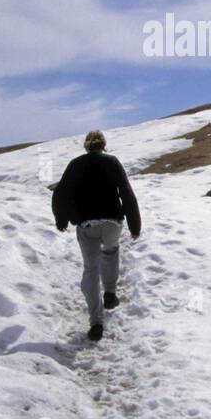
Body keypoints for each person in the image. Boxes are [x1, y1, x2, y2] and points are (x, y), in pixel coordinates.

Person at [51, 130, 141, 342]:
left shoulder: (75, 164)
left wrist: (61, 220)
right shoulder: (113, 162)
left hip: (87, 223)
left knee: (91, 270)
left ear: (86, 146)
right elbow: (126, 193)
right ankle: (110, 292)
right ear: (104, 145)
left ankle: (96, 321)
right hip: (112, 222)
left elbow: (61, 192)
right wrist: (135, 225)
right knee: (111, 251)